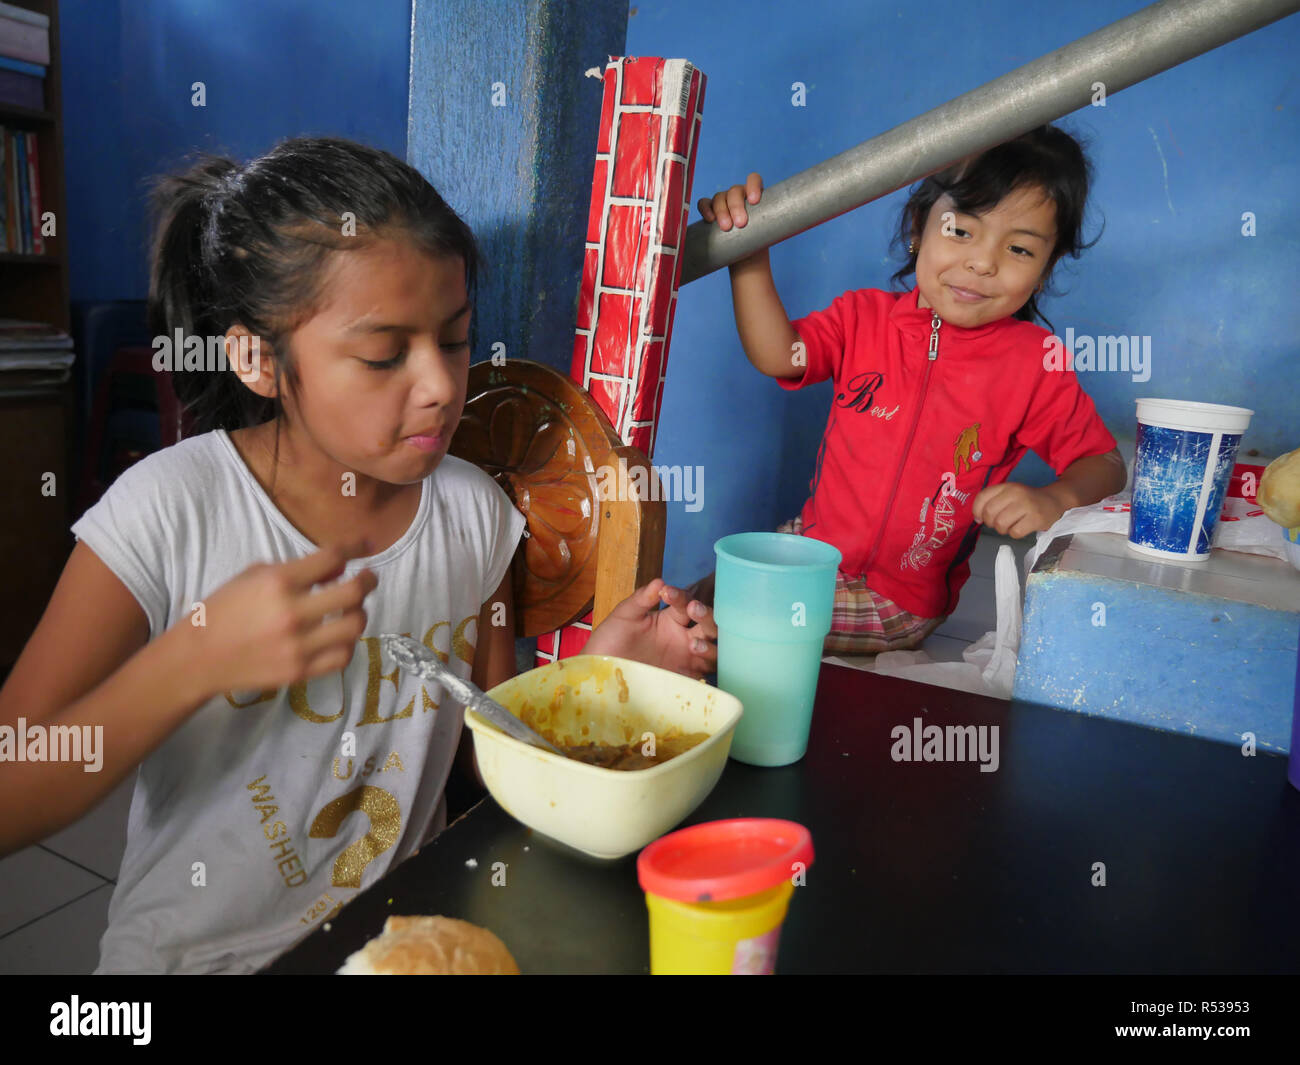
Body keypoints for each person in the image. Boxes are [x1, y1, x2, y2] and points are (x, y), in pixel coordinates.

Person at [0, 137, 717, 973]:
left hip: (397, 947)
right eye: (384, 355)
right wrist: (190, 660)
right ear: (257, 359)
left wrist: (599, 683)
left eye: (453, 340)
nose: (443, 385)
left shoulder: (474, 512)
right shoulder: (171, 509)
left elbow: (485, 745)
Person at [696, 125, 1127, 655]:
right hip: (809, 549)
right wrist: (748, 254)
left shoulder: (1035, 363)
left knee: (731, 626)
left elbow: (1104, 462)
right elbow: (777, 355)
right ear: (919, 229)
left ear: (1044, 271)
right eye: (962, 231)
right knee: (694, 603)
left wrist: (1054, 498)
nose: (983, 262)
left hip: (895, 599)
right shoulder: (863, 318)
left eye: (1018, 248)